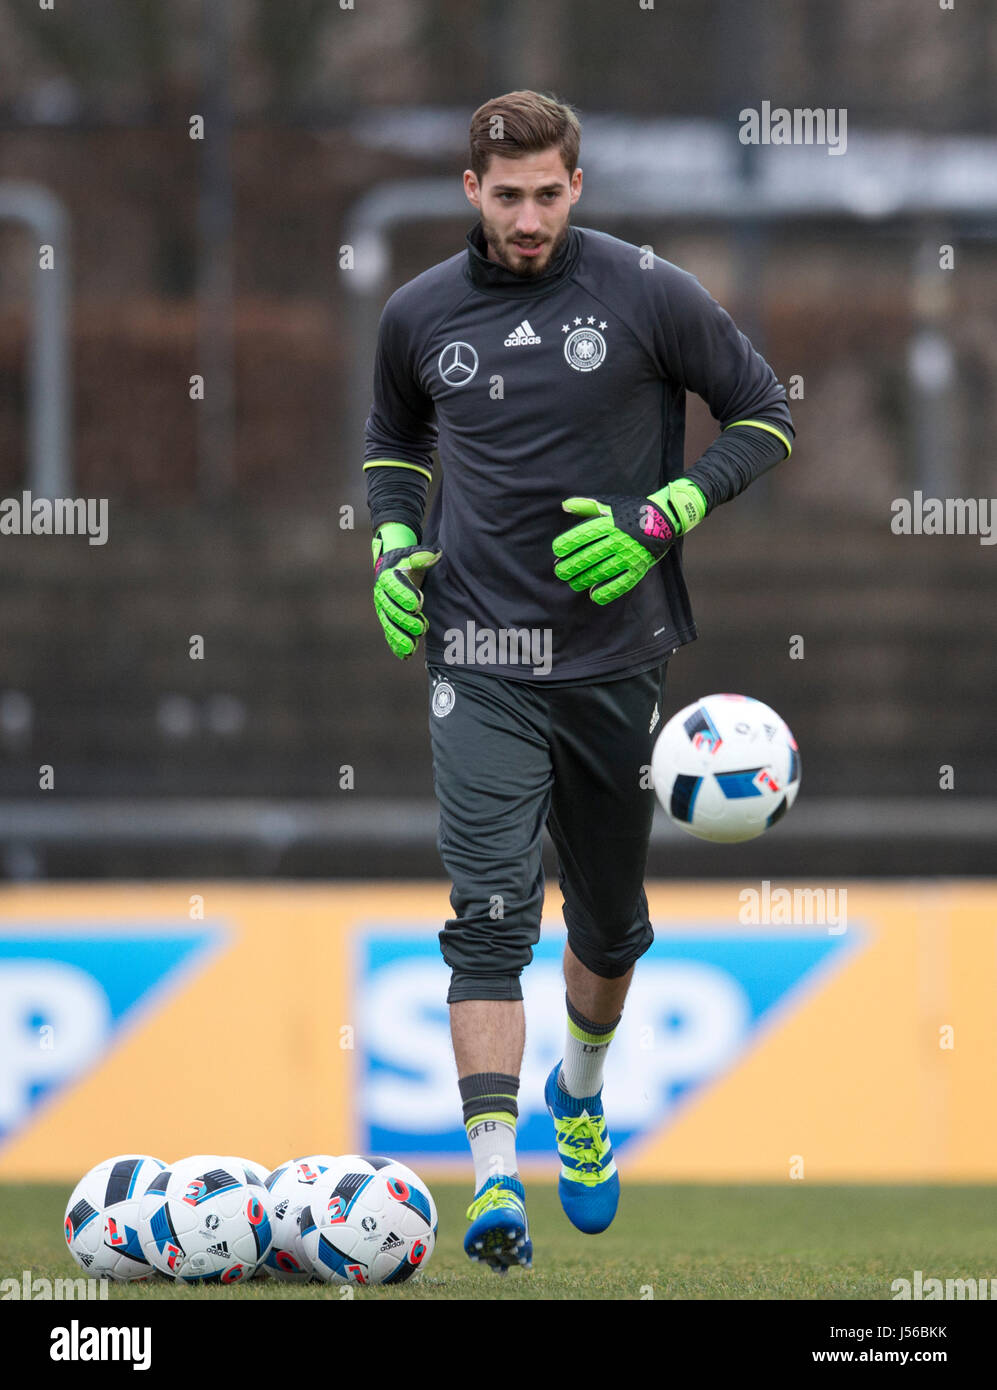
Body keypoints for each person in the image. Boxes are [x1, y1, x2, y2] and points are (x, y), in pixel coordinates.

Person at [363, 90, 794, 1273]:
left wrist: (666, 513)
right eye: (507, 196)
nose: (529, 216)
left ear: (577, 186)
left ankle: (582, 1096)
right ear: (470, 191)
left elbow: (765, 413)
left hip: (613, 657)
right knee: (489, 917)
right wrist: (393, 546)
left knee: (607, 929)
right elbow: (393, 447)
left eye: (549, 193)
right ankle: (495, 1178)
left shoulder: (646, 291)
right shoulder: (416, 313)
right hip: (477, 656)